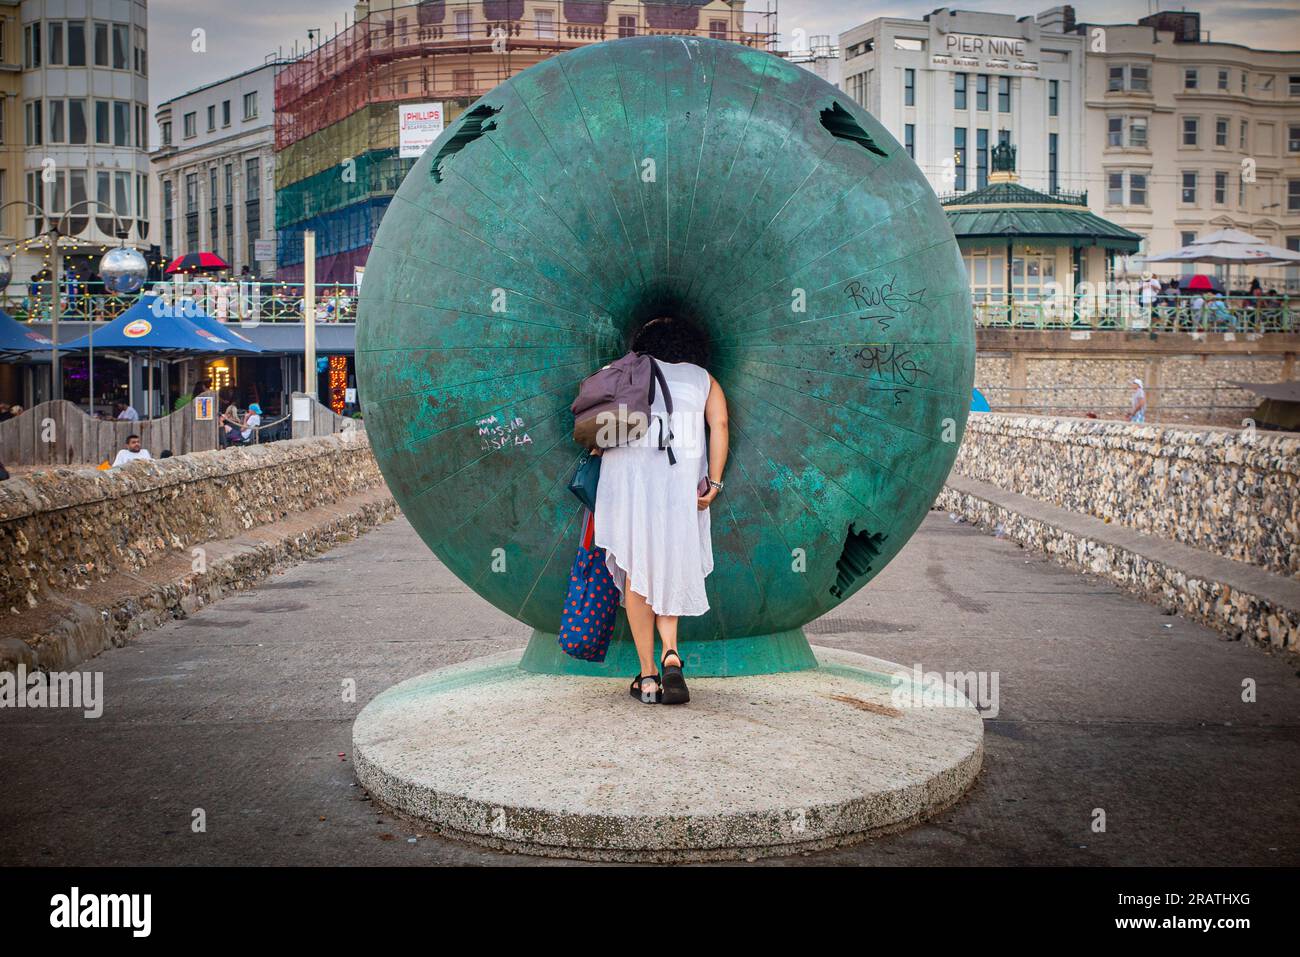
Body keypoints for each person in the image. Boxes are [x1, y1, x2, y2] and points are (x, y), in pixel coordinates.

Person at [590, 316, 729, 706]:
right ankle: (671, 652)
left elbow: (599, 422)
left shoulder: (625, 370)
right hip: (678, 479)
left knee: (638, 568)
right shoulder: (704, 379)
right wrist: (714, 483)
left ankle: (648, 677)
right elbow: (719, 424)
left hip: (630, 479)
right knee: (669, 562)